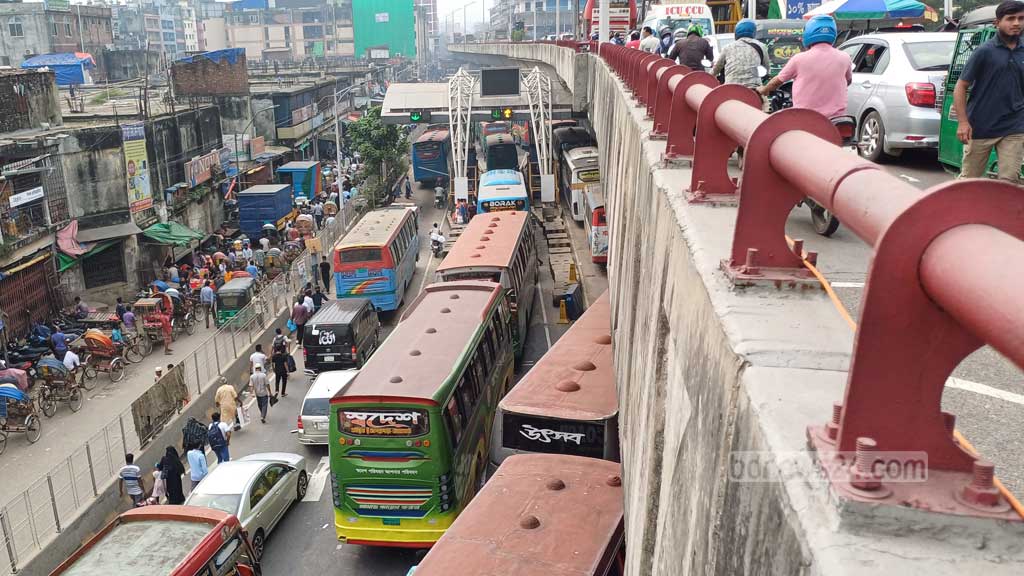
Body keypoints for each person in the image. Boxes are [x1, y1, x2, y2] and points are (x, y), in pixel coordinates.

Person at [954, 0, 1024, 182]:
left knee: (1009, 181)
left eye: (1021, 18)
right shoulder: (984, 51)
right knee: (970, 181)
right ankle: (963, 210)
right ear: (997, 23)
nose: (1016, 23)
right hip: (980, 126)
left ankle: (1001, 212)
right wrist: (963, 122)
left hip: (1014, 126)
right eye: (1010, 19)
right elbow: (961, 86)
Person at [758, 15, 851, 120]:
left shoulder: (799, 59)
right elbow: (848, 81)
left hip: (805, 118)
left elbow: (777, 82)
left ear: (808, 33)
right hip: (837, 119)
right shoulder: (845, 57)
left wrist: (764, 90)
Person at [712, 19, 769, 90]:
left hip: (731, 88)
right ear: (754, 32)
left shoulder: (727, 48)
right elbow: (766, 69)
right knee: (765, 101)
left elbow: (715, 69)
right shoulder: (761, 46)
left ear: (736, 33)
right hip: (754, 88)